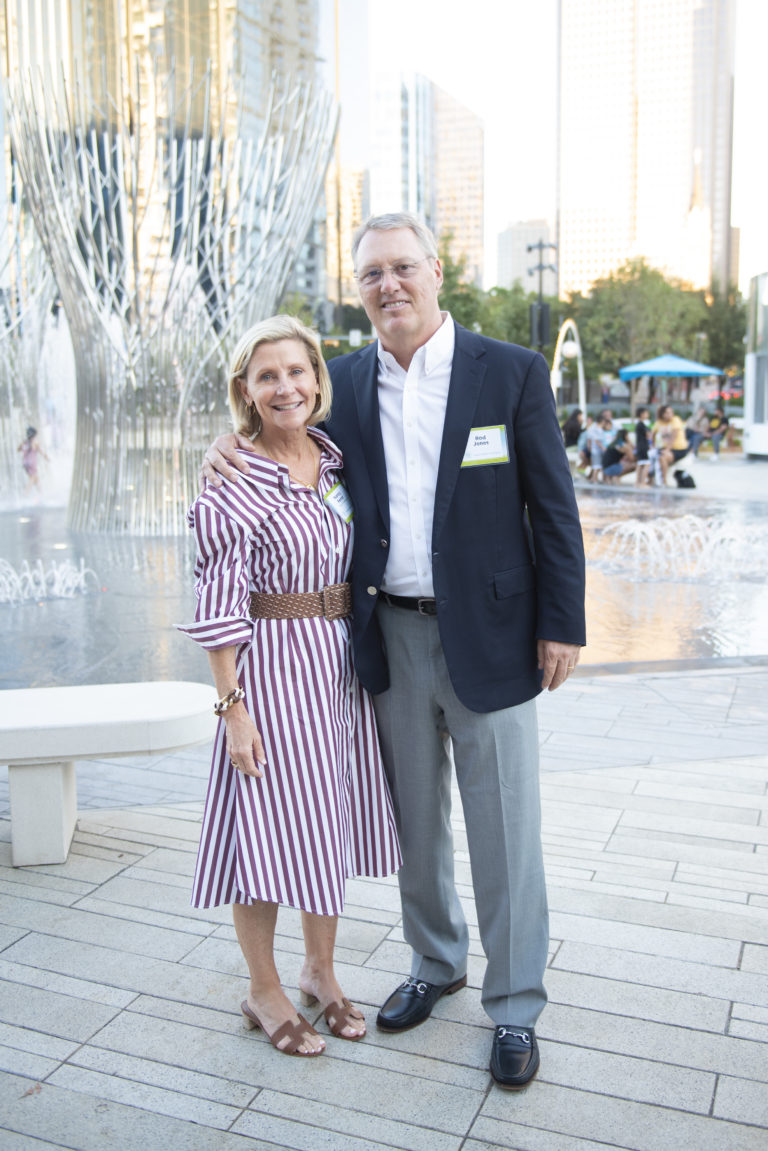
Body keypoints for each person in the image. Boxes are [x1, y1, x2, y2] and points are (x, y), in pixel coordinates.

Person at [202, 212, 586, 1090]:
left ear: (436, 270)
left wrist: (562, 620)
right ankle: (435, 960)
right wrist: (225, 444)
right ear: (358, 286)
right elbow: (271, 434)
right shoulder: (336, 382)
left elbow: (554, 510)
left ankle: (516, 1002)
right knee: (416, 824)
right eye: (372, 273)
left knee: (505, 831)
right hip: (388, 638)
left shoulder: (513, 374)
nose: (390, 285)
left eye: (403, 267)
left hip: (493, 637)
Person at [180, 315, 401, 1058]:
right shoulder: (234, 479)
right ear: (244, 388)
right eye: (267, 376)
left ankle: (321, 969)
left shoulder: (335, 460)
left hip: (336, 672)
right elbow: (216, 608)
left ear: (317, 379)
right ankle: (263, 986)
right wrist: (231, 707)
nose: (285, 387)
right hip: (270, 672)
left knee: (324, 822)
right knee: (264, 833)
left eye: (297, 372)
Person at [651, 404, 688, 486]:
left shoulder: (675, 420)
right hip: (665, 448)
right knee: (651, 456)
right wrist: (652, 446)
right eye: (667, 413)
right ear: (662, 414)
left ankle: (664, 481)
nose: (670, 414)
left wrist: (667, 450)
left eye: (671, 412)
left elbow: (673, 436)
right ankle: (650, 479)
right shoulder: (659, 422)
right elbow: (653, 434)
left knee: (663, 458)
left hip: (679, 449)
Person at [17, 425, 49, 490]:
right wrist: (47, 458)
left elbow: (18, 449)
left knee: (36, 479)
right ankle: (25, 495)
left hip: (25, 463)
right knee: (32, 479)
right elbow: (41, 451)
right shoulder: (35, 442)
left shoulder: (24, 442)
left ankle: (40, 494)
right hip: (32, 463)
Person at [634, 407, 652, 486]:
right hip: (644, 446)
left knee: (640, 464)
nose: (647, 415)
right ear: (642, 414)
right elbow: (648, 435)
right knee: (646, 464)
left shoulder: (638, 425)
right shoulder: (642, 425)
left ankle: (638, 481)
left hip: (639, 446)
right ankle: (642, 482)